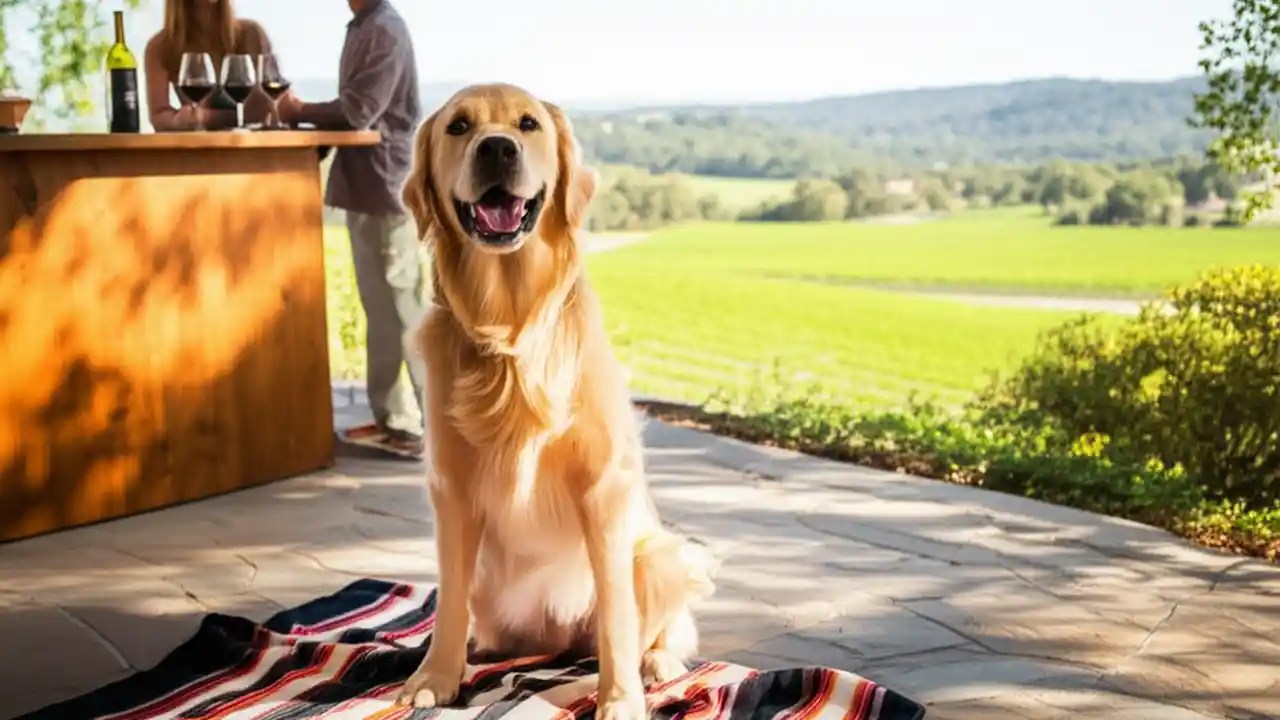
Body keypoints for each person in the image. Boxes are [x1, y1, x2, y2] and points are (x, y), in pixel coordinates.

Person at [279, 0, 426, 458]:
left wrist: (297, 108)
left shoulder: (383, 28)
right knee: (381, 312)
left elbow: (360, 110)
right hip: (367, 188)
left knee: (405, 312)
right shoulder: (365, 25)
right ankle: (395, 421)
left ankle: (432, 428)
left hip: (388, 188)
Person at [144, 0, 277, 131]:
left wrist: (207, 117)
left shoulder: (251, 34)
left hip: (253, 145)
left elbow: (271, 106)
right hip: (199, 147)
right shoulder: (161, 46)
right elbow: (159, 116)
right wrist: (179, 120)